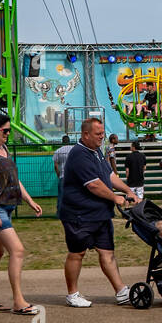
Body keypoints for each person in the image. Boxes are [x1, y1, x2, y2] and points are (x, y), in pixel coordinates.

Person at [59, 117, 137, 307]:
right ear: (85, 134)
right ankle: (72, 294)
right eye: (98, 134)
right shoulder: (79, 154)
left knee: (107, 251)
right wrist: (115, 197)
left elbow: (109, 175)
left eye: (102, 133)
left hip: (99, 214)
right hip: (79, 214)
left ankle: (120, 291)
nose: (102, 137)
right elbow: (93, 185)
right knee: (77, 253)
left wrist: (127, 191)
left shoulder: (97, 152)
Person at [0, 114, 43, 315]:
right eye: (5, 130)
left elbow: (14, 179)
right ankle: (18, 301)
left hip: (6, 207)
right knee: (18, 250)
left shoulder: (3, 150)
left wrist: (29, 200)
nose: (8, 134)